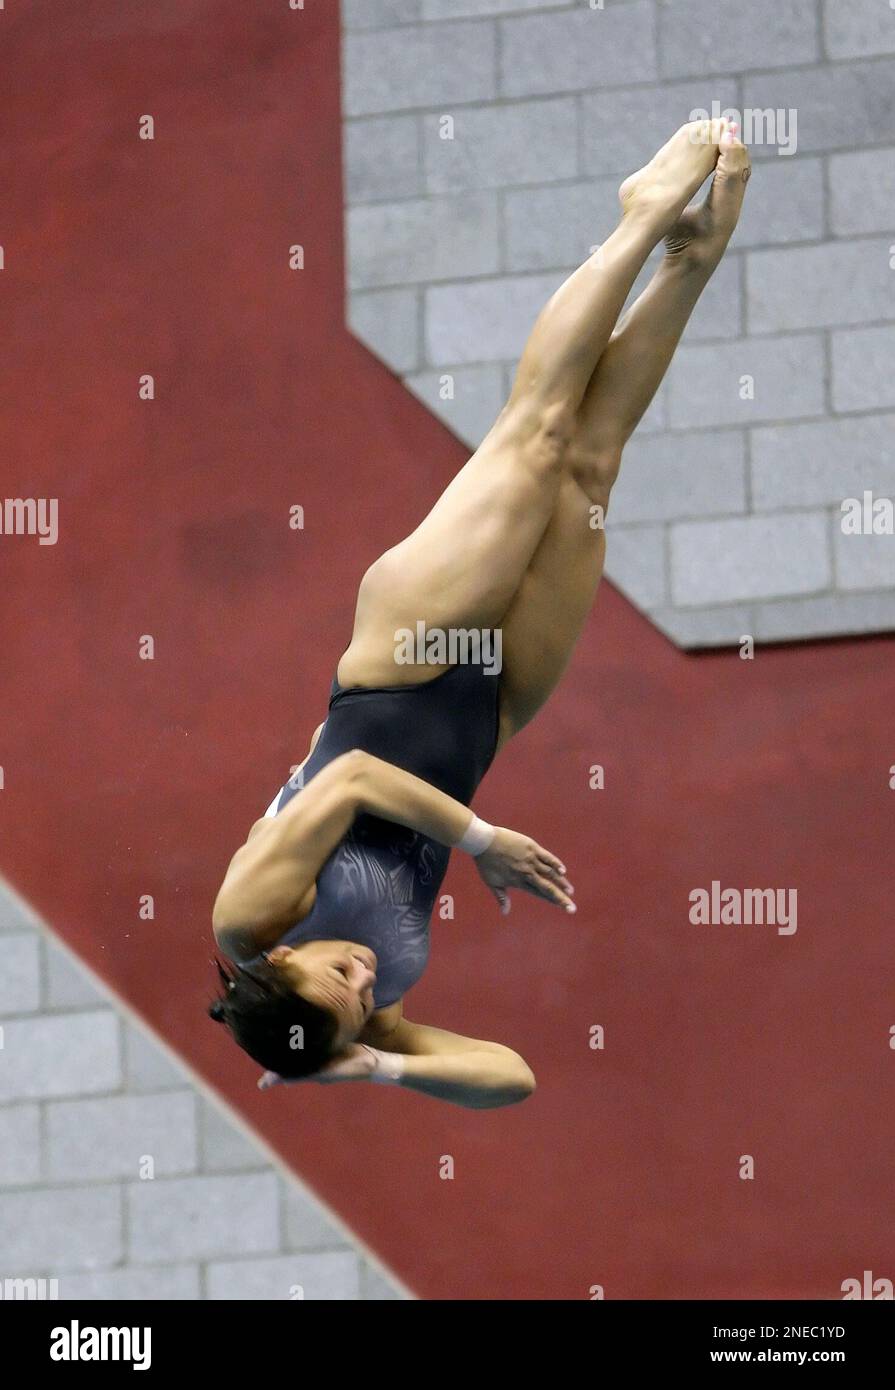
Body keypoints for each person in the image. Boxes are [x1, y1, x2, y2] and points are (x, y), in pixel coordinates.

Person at [210, 120, 751, 1108]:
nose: (366, 980)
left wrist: (480, 842)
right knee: (591, 465)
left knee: (537, 435)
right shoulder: (365, 1012)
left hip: (398, 666)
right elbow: (512, 1081)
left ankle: (638, 221)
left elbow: (356, 778)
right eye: (361, 997)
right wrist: (372, 1059)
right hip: (486, 713)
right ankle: (690, 258)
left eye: (340, 978)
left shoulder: (249, 918)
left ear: (276, 970)